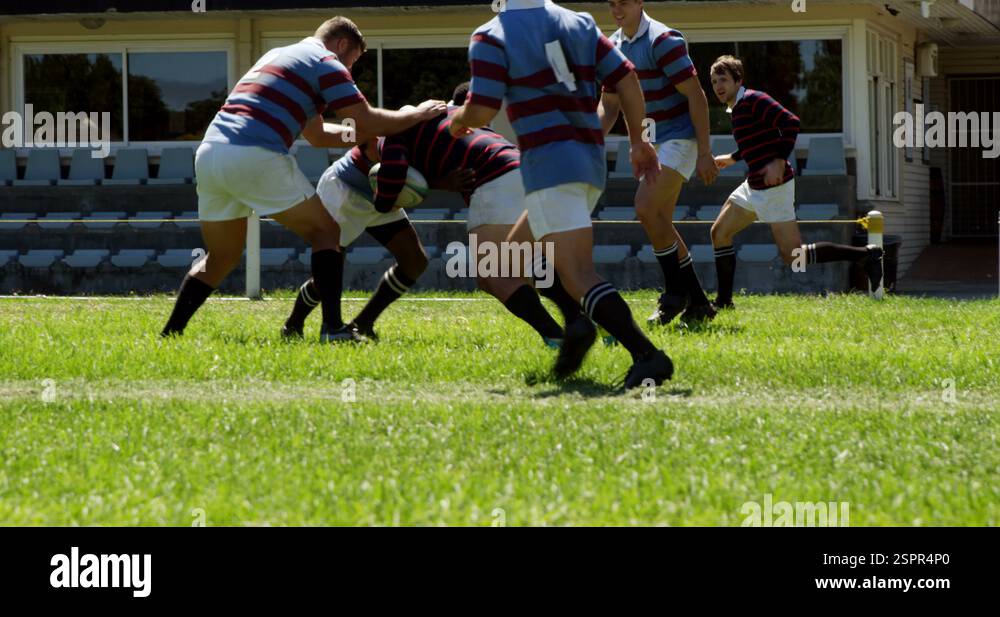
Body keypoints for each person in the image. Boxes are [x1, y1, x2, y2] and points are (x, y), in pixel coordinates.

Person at [160, 16, 446, 341]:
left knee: (221, 256)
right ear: (341, 45)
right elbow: (364, 117)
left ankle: (171, 333)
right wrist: (417, 114)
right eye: (352, 62)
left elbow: (320, 135)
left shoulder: (282, 56)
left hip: (211, 153)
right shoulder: (326, 62)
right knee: (326, 231)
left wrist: (368, 134)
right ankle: (333, 329)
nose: (349, 72)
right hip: (255, 152)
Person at [450, 0, 673, 389]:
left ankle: (648, 355)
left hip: (549, 164)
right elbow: (627, 77)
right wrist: (640, 141)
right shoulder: (580, 22)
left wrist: (457, 120)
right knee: (507, 261)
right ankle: (576, 324)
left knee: (578, 273)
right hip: (587, 159)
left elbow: (482, 108)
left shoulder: (490, 34)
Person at [708, 55, 884, 308]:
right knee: (719, 233)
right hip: (753, 186)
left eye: (723, 80)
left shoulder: (754, 99)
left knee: (793, 256)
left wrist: (779, 160)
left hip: (775, 190)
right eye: (714, 82)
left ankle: (866, 255)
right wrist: (733, 158)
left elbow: (790, 123)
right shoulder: (736, 108)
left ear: (738, 80)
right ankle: (724, 302)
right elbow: (757, 140)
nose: (718, 86)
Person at [600, 0, 719, 326]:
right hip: (650, 145)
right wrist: (588, 138)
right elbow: (610, 105)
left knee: (645, 208)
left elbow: (696, 96)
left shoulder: (662, 41)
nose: (617, 9)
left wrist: (705, 152)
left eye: (623, 2)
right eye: (611, 3)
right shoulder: (612, 46)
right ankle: (697, 302)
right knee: (659, 221)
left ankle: (674, 296)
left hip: (680, 138)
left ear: (640, 2)